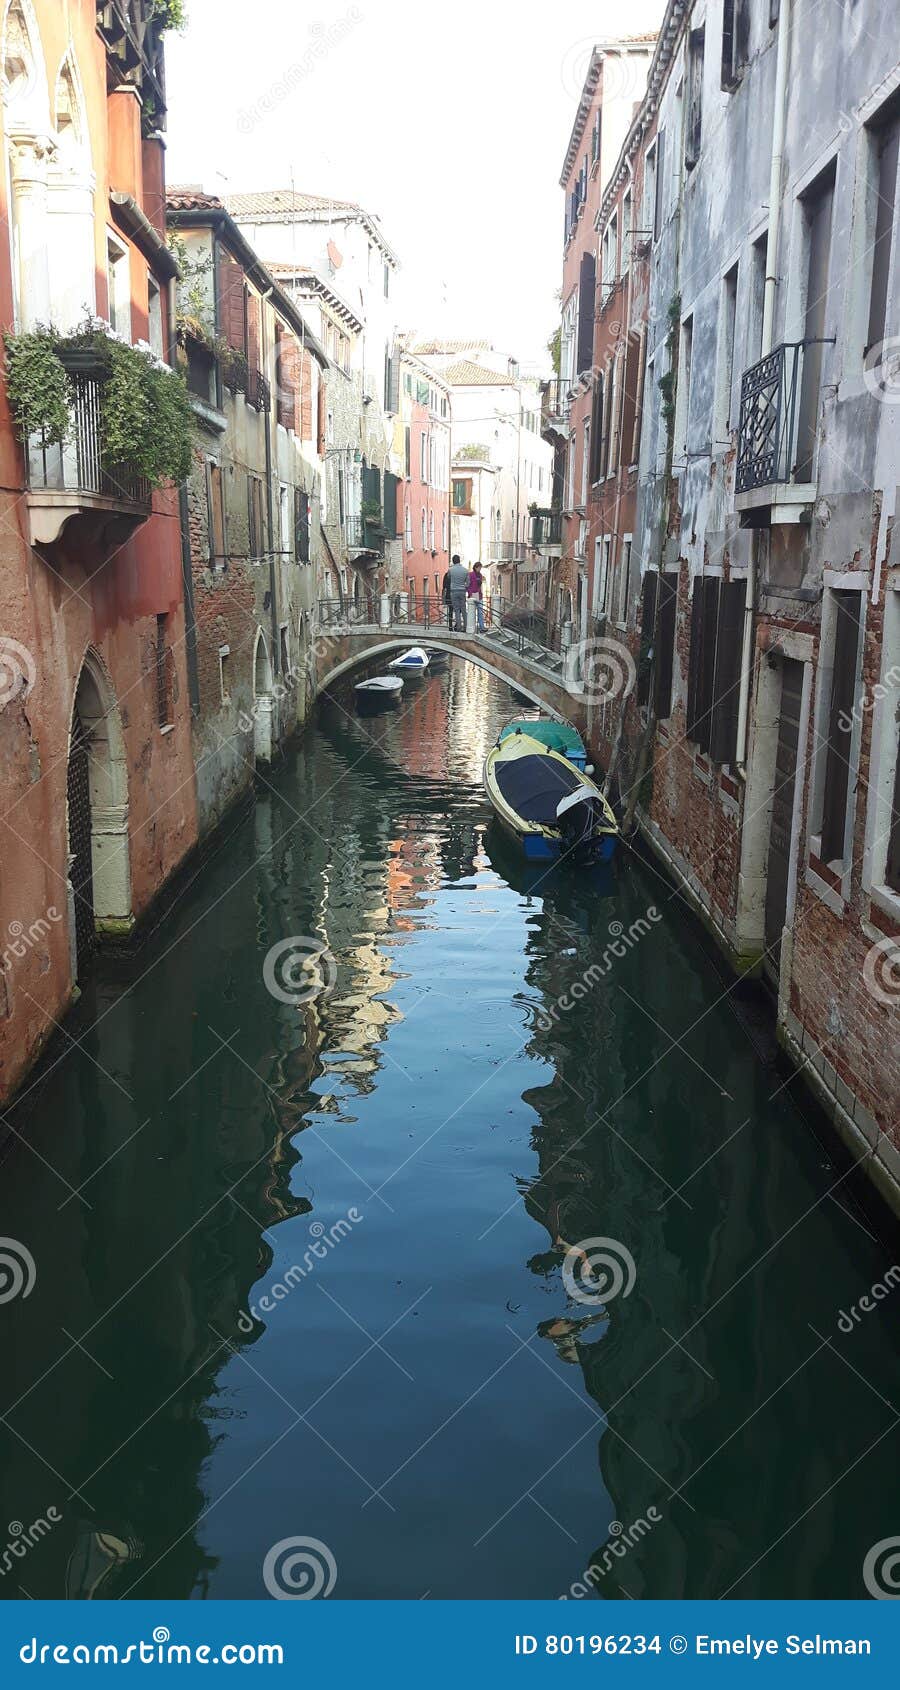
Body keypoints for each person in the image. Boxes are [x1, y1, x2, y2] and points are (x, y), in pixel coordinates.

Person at [448, 554, 469, 632]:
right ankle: (466, 627)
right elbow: (468, 583)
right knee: (463, 609)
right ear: (459, 560)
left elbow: (449, 577)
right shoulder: (466, 570)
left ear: (453, 561)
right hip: (462, 591)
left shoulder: (450, 570)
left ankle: (459, 627)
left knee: (456, 610)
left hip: (453, 591)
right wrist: (464, 587)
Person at [468, 560, 485, 632]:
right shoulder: (471, 574)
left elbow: (480, 585)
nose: (480, 569)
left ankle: (482, 627)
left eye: (480, 568)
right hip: (473, 594)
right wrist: (470, 593)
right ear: (475, 567)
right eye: (479, 568)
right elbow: (468, 585)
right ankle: (472, 627)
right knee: (472, 611)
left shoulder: (480, 575)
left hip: (479, 594)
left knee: (480, 611)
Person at [441, 563, 452, 628]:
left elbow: (444, 586)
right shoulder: (454, 576)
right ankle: (456, 625)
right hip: (453, 594)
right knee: (457, 610)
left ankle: (450, 626)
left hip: (448, 594)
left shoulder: (446, 575)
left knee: (450, 610)